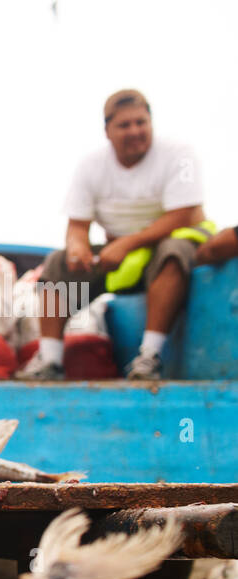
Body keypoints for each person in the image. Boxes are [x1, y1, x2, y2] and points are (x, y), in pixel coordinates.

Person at [18, 90, 209, 381]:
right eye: (124, 125)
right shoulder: (91, 165)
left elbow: (182, 215)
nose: (134, 131)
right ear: (107, 130)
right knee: (56, 263)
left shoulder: (178, 155)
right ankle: (50, 360)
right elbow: (78, 225)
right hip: (117, 257)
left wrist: (126, 244)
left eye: (140, 123)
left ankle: (149, 357)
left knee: (174, 250)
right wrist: (77, 248)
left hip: (166, 250)